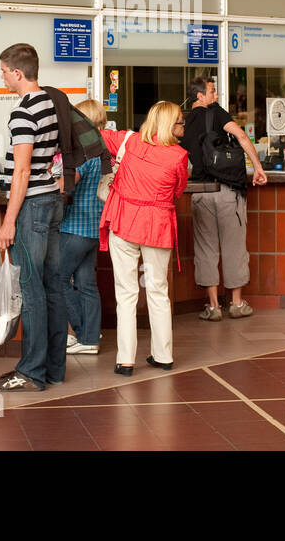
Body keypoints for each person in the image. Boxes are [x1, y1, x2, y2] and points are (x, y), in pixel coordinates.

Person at [0, 43, 66, 393]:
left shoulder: (23, 112)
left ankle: (31, 372)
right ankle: (53, 368)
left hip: (31, 206)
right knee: (51, 287)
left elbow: (21, 171)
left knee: (30, 290)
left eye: (3, 71)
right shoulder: (49, 102)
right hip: (50, 200)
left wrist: (8, 222)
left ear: (17, 73)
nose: (2, 77)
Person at [100, 101, 189, 375]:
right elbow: (178, 190)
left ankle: (125, 360)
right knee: (158, 290)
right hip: (156, 226)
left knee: (125, 293)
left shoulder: (129, 141)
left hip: (124, 221)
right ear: (169, 125)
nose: (183, 126)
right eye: (180, 122)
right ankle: (163, 356)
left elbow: (95, 134)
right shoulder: (179, 156)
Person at [180, 75, 267, 320]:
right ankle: (237, 304)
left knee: (205, 248)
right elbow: (240, 135)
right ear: (200, 96)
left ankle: (214, 306)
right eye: (212, 91)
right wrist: (257, 166)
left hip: (200, 192)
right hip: (227, 190)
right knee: (234, 246)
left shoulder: (184, 124)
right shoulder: (216, 113)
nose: (216, 96)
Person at [61, 98, 108, 356]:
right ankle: (90, 338)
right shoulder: (103, 151)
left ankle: (79, 331)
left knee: (57, 279)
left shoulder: (83, 151)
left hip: (75, 226)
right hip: (94, 227)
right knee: (87, 284)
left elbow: (68, 184)